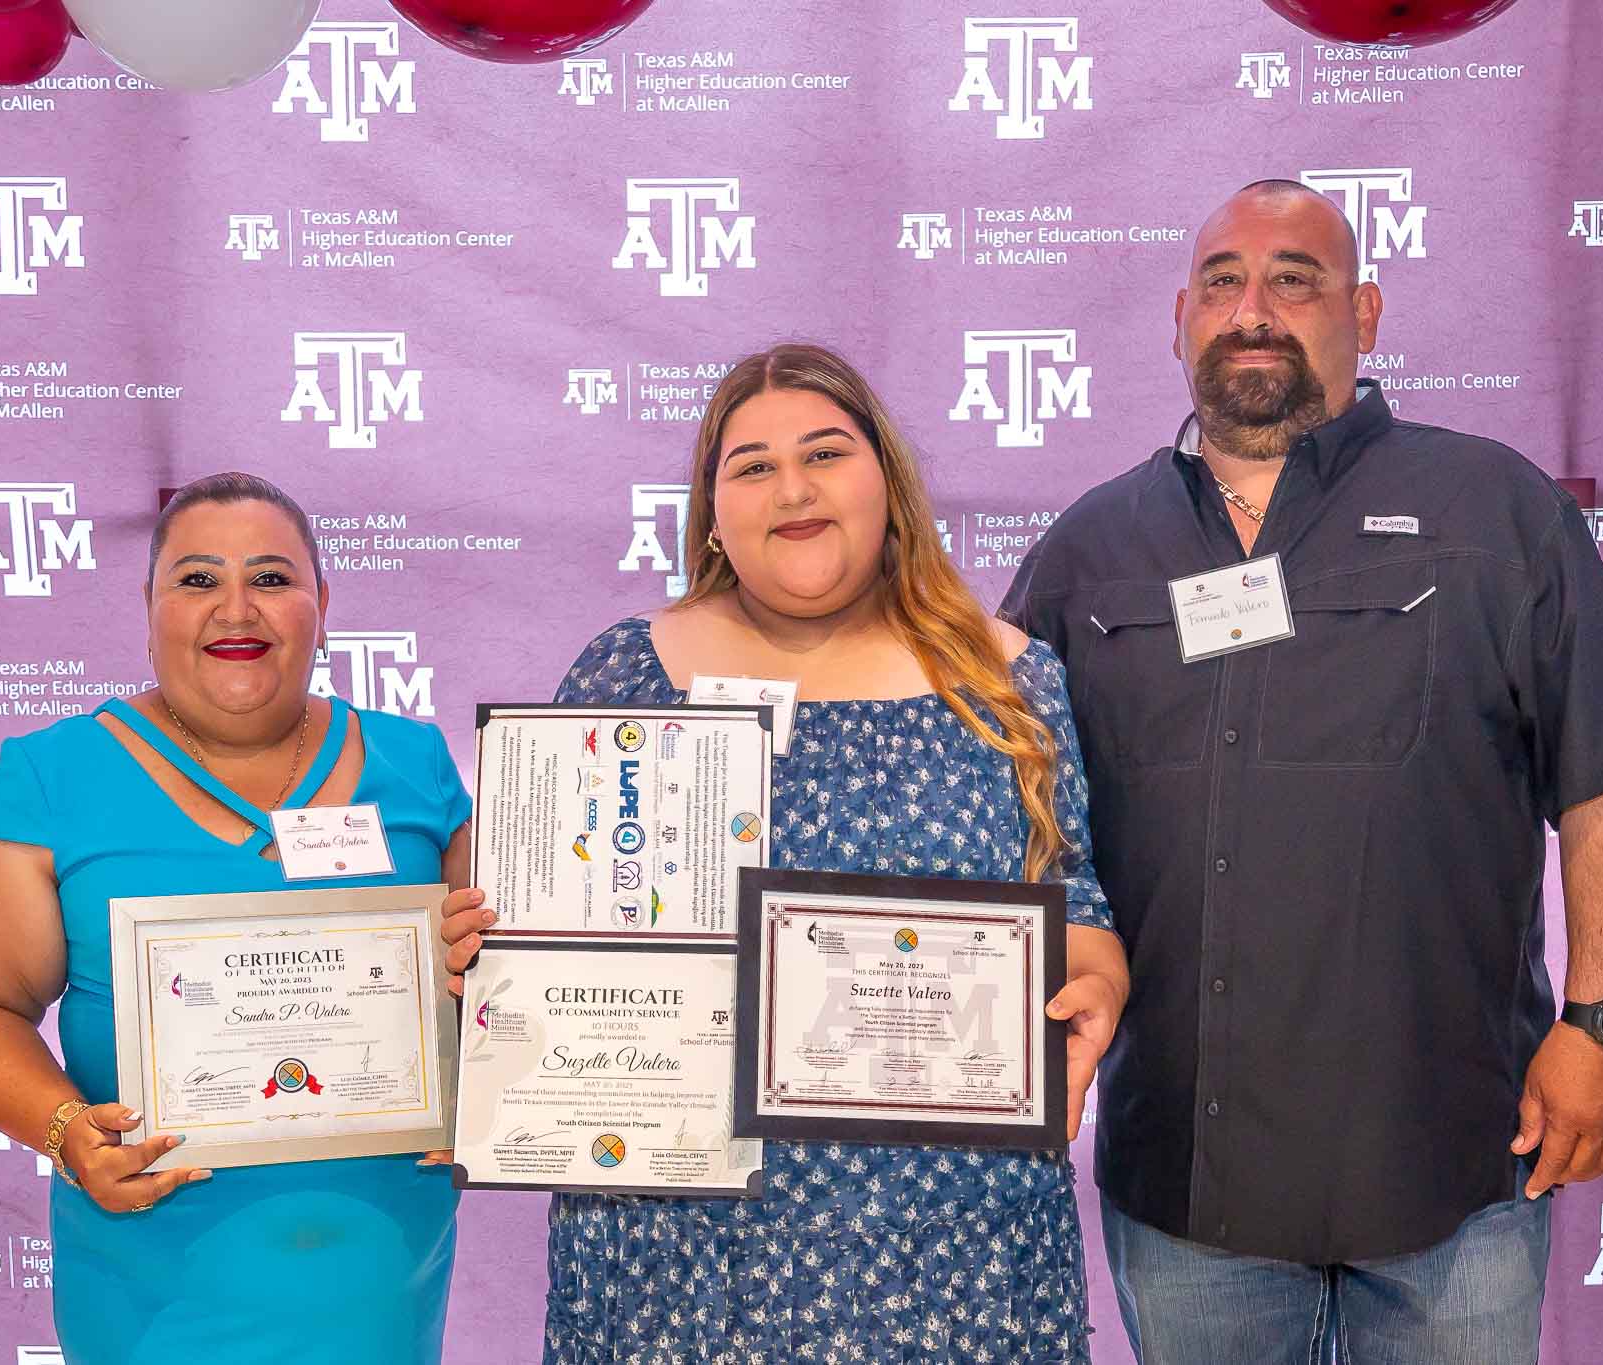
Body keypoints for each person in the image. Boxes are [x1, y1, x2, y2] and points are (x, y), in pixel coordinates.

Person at [999, 181, 1603, 1363]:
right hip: (1184, 1181)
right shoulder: (1088, 552)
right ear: (1178, 319)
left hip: (1450, 1166)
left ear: (1364, 313)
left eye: (1295, 279)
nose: (1252, 309)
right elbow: (1014, 822)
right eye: (1221, 281)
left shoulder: (1492, 508)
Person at [440, 343, 1130, 1363]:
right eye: (751, 466)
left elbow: (1075, 906)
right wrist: (479, 942)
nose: (792, 488)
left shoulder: (1007, 679)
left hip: (949, 1241)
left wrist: (1094, 980)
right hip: (679, 1246)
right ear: (710, 515)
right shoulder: (628, 670)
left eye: (824, 453)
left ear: (886, 486)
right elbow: (539, 921)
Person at [0, 473, 471, 1365]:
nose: (235, 609)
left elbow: (503, 984)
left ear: (322, 602)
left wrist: (491, 1033)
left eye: (274, 579)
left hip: (380, 1297)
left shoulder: (418, 765)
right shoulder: (57, 776)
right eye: (198, 579)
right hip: (154, 1311)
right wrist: (65, 1128)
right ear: (150, 604)